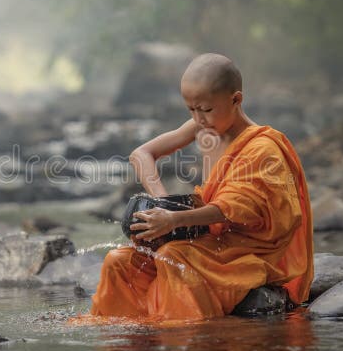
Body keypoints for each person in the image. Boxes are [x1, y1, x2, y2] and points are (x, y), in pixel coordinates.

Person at [90, 53, 314, 320]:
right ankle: (127, 338)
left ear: (236, 99)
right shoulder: (201, 126)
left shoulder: (263, 148)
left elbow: (230, 207)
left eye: (206, 109)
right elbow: (141, 154)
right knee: (118, 261)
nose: (199, 118)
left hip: (247, 247)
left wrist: (174, 220)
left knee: (173, 254)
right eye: (191, 109)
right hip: (210, 236)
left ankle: (181, 335)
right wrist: (162, 205)